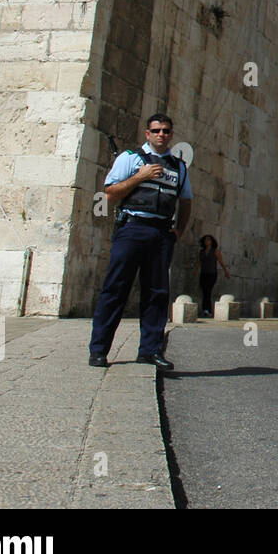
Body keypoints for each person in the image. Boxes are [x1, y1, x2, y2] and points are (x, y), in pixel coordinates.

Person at [88, 114, 191, 370]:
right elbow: (110, 192)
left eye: (166, 131)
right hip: (132, 228)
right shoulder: (130, 158)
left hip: (161, 233)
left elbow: (186, 200)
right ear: (147, 133)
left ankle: (150, 350)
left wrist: (178, 231)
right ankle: (99, 351)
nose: (161, 135)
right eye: (156, 130)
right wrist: (140, 176)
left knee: (157, 294)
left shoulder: (178, 167)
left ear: (171, 134)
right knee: (115, 290)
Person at [197, 235, 229, 318]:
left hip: (212, 273)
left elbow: (221, 262)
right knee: (204, 292)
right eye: (205, 240)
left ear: (212, 241)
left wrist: (226, 271)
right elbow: (199, 262)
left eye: (208, 240)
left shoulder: (215, 251)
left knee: (208, 291)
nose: (206, 241)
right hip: (203, 273)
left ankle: (208, 310)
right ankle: (205, 310)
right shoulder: (202, 252)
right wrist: (196, 271)